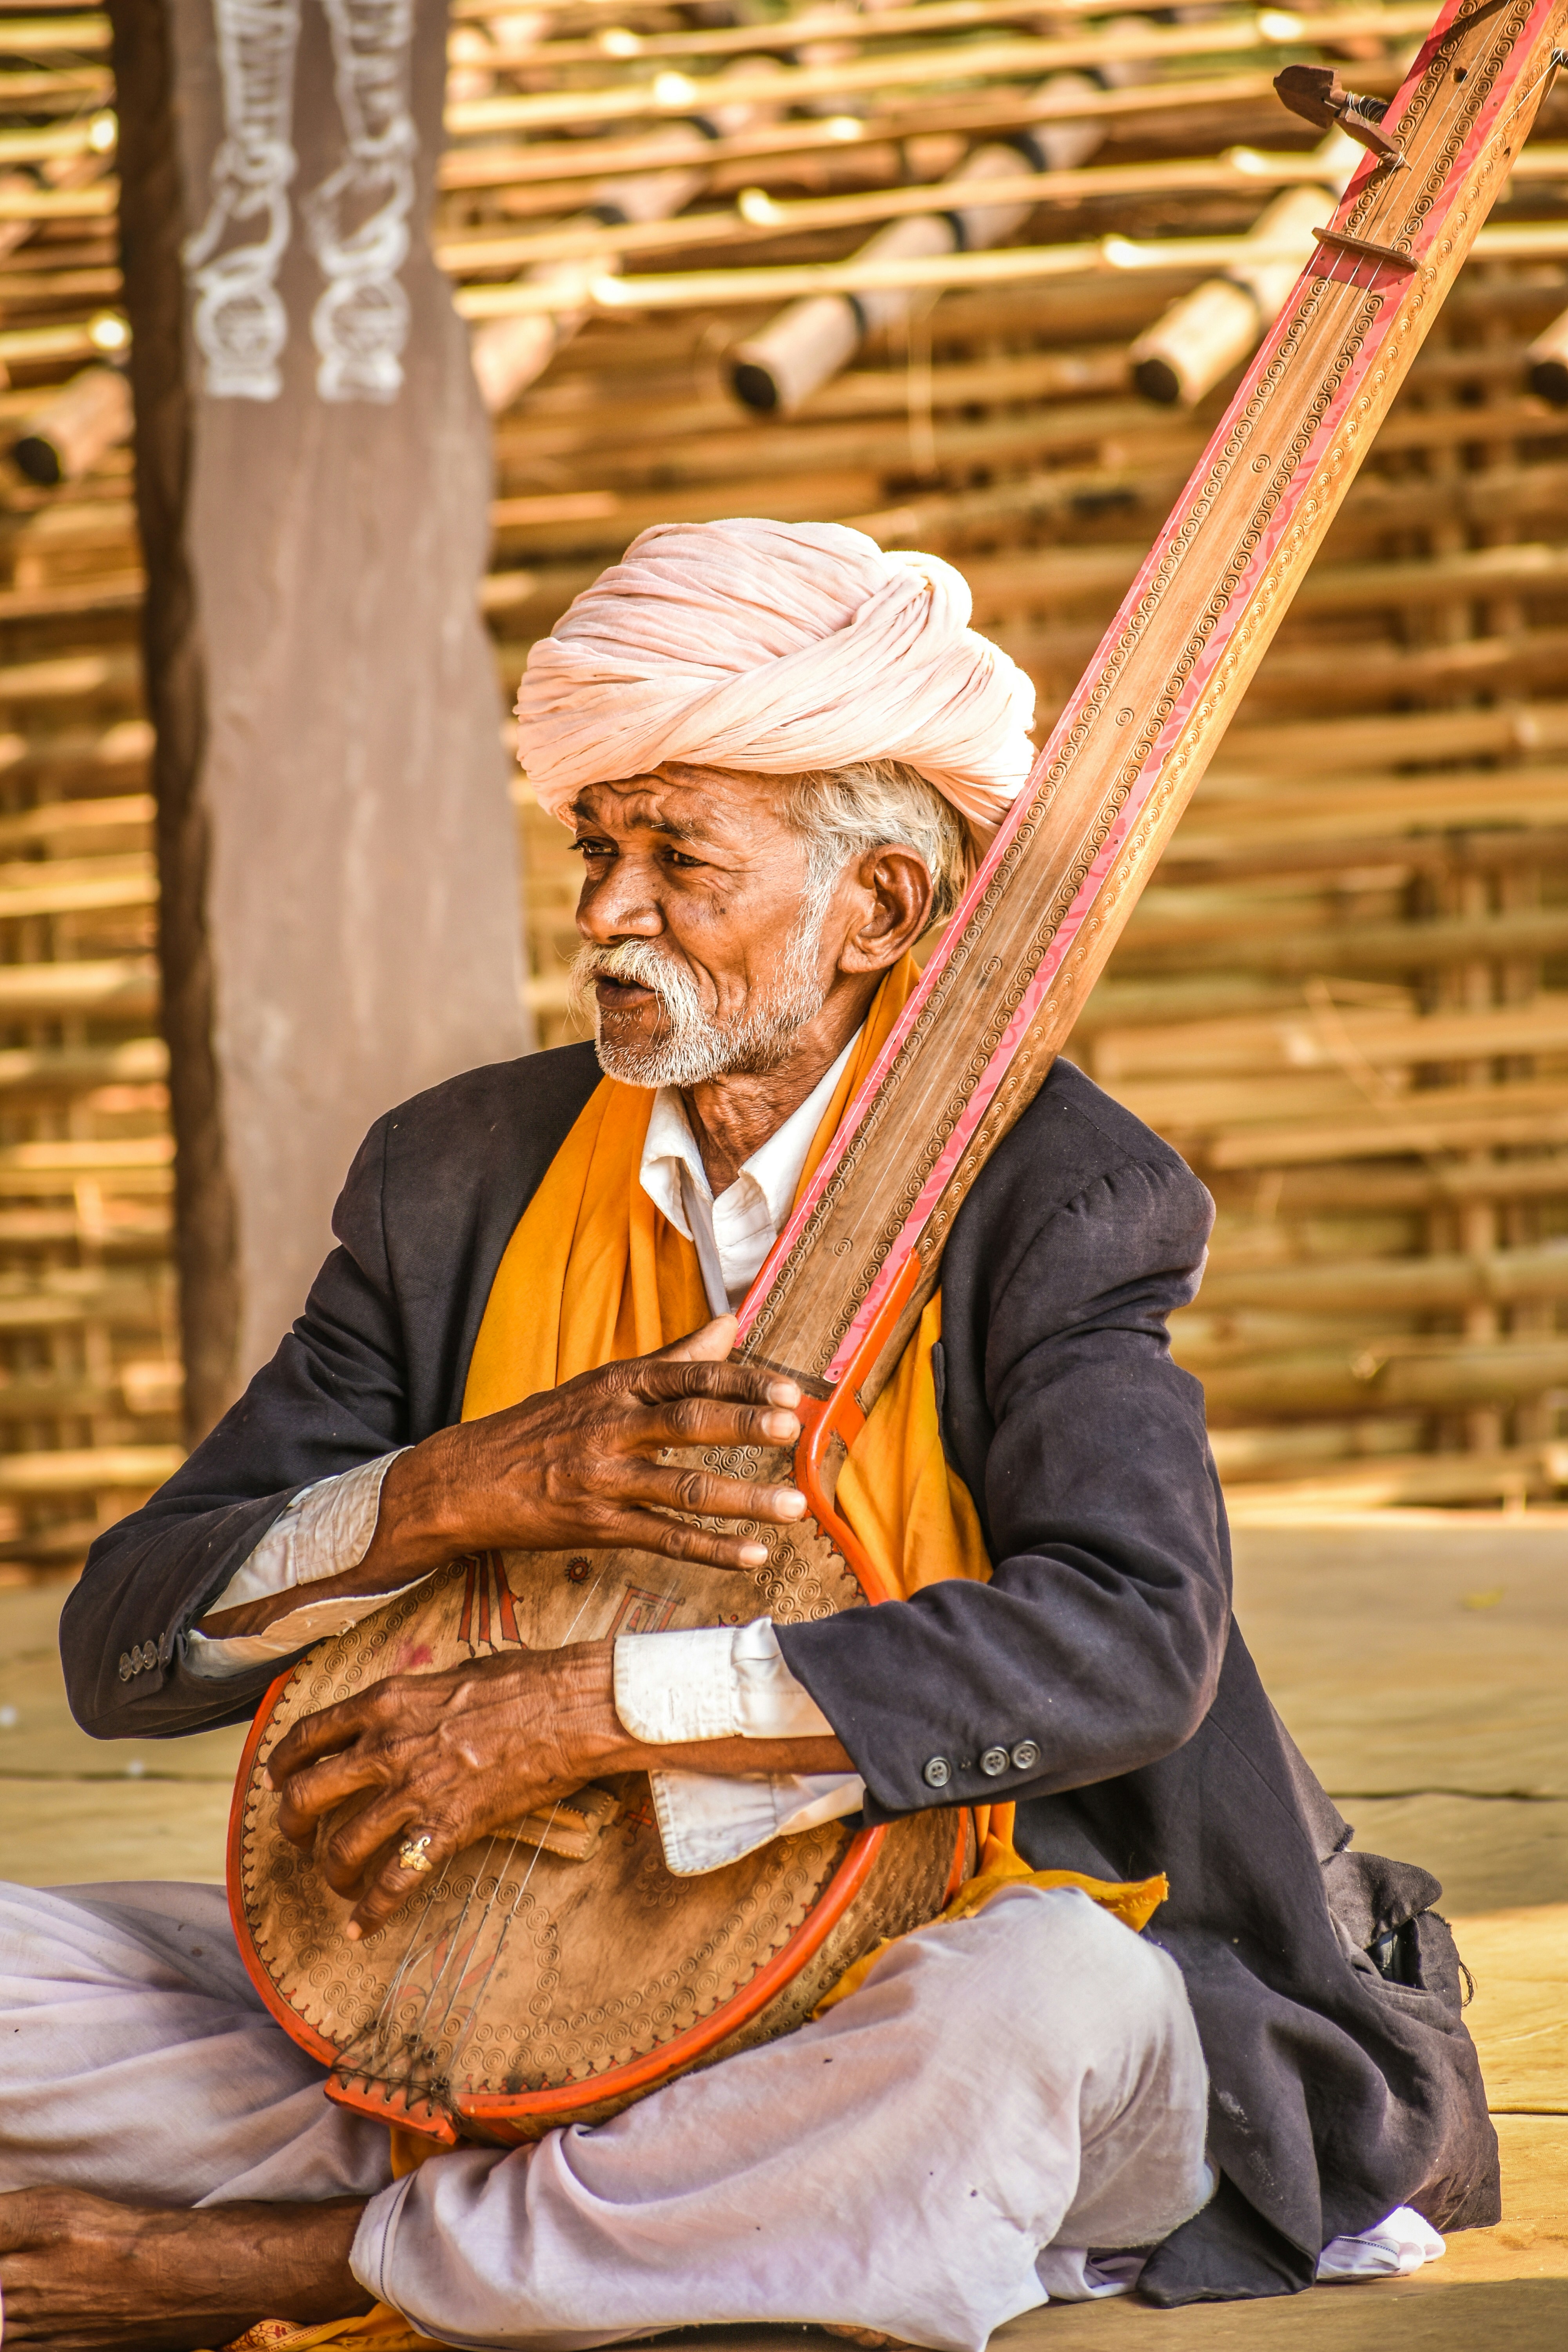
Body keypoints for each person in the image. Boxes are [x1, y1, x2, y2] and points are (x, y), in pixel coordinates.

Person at [1, 522, 1490, 2351]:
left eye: (679, 860)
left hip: (930, 1970)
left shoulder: (1054, 1189)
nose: (606, 915)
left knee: (1027, 2019)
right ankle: (617, 2217)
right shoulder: (455, 1178)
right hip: (483, 1975)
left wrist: (587, 1713)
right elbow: (123, 1642)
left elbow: (1128, 1639)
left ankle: (314, 2261)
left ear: (879, 908)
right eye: (594, 850)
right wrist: (453, 1490)